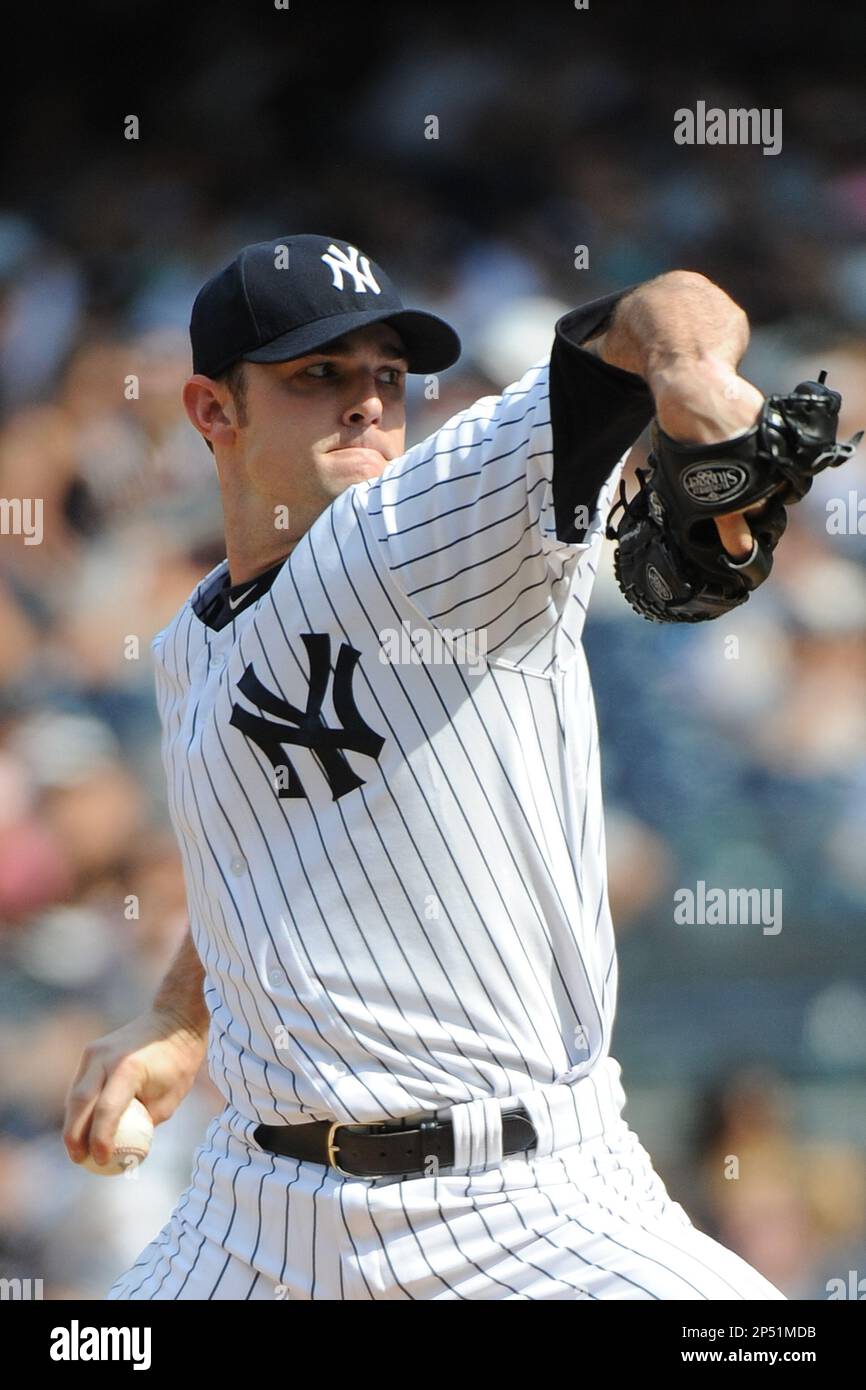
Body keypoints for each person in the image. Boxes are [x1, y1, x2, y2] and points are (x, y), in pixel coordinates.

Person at [64, 233, 785, 1299]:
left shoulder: (420, 525)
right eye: (319, 375)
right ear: (213, 411)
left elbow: (656, 309)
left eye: (387, 378)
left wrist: (688, 371)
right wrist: (180, 1012)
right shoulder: (188, 641)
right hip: (257, 1211)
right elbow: (257, 855)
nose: (366, 404)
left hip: (526, 1205)